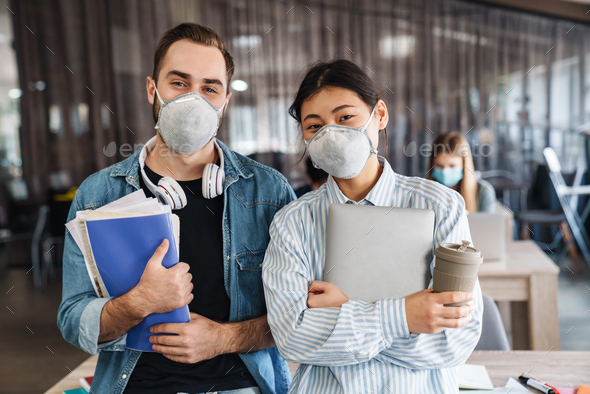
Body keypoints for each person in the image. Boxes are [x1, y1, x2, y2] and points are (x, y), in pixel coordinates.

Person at [58, 23, 295, 394]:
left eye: (209, 88)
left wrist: (224, 338)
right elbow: (73, 320)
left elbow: (300, 316)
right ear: (153, 89)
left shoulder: (269, 190)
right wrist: (138, 302)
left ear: (225, 101)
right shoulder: (99, 193)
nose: (193, 99)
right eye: (179, 83)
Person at [262, 59, 483, 393]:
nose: (331, 134)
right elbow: (293, 339)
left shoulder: (441, 206)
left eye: (346, 117)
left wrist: (345, 311)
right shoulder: (292, 222)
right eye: (314, 126)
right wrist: (406, 316)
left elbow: (456, 339)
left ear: (379, 114)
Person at [429, 132, 497, 213]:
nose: (445, 171)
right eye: (439, 166)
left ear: (464, 165)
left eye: (452, 166)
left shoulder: (484, 191)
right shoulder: (422, 191)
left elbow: (488, 224)